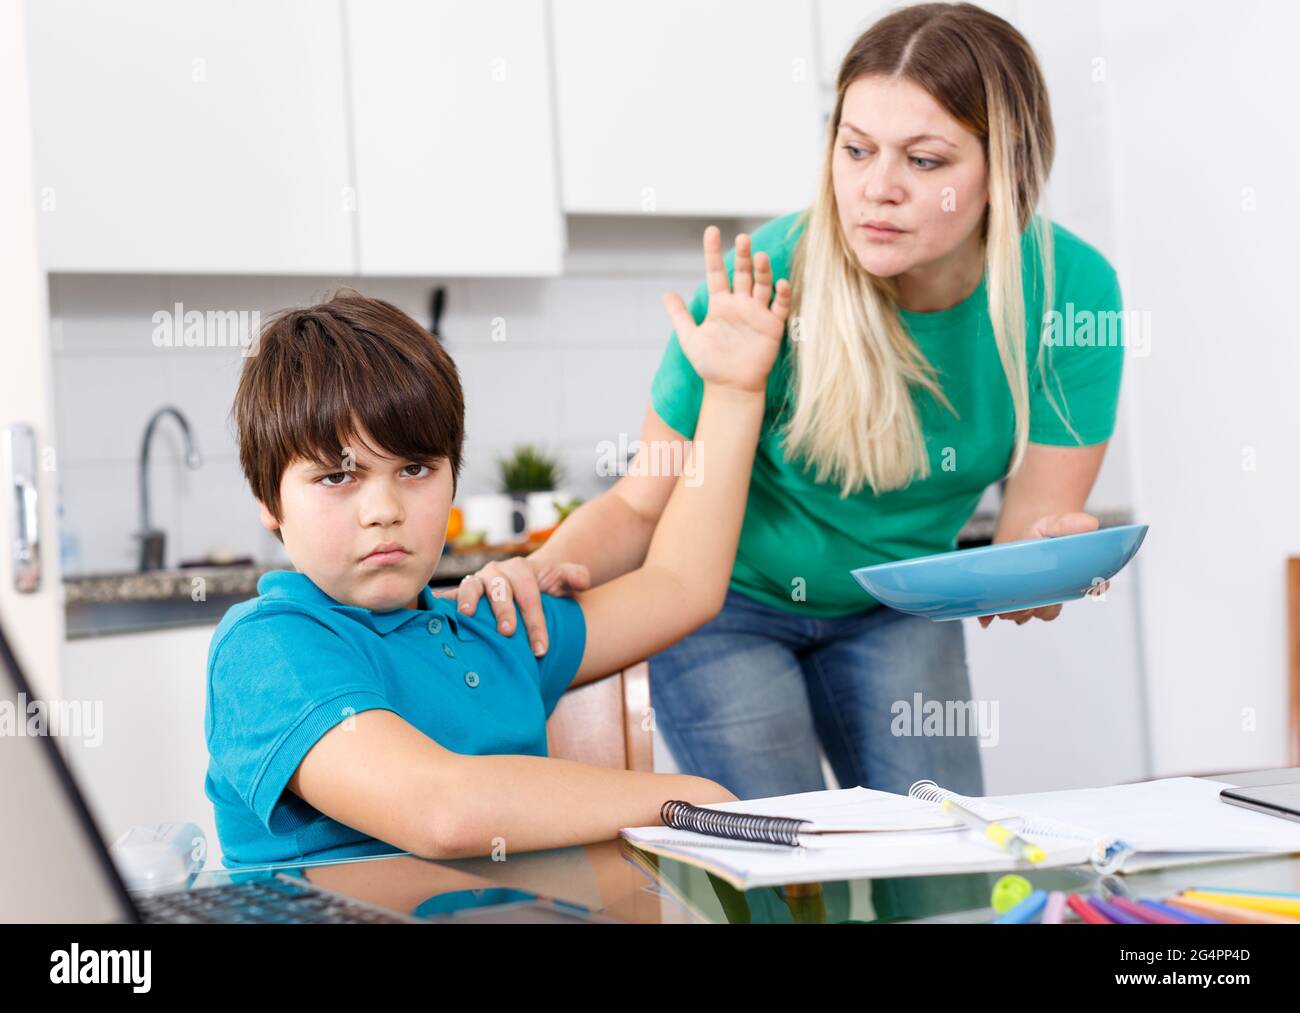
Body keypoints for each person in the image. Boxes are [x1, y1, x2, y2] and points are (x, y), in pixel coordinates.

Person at [442, 3, 1125, 801]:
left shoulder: (1072, 295)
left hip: (901, 602)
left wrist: (1046, 562)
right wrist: (544, 564)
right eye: (856, 148)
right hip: (723, 607)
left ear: (1006, 169)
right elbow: (639, 503)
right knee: (780, 864)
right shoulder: (760, 280)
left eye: (926, 161)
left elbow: (1021, 542)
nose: (877, 189)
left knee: (947, 857)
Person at [204, 232, 789, 866]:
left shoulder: (492, 623)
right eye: (337, 477)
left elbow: (681, 586)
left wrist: (733, 394)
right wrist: (681, 799)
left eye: (416, 469)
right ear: (269, 501)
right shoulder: (266, 648)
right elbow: (441, 811)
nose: (384, 511)